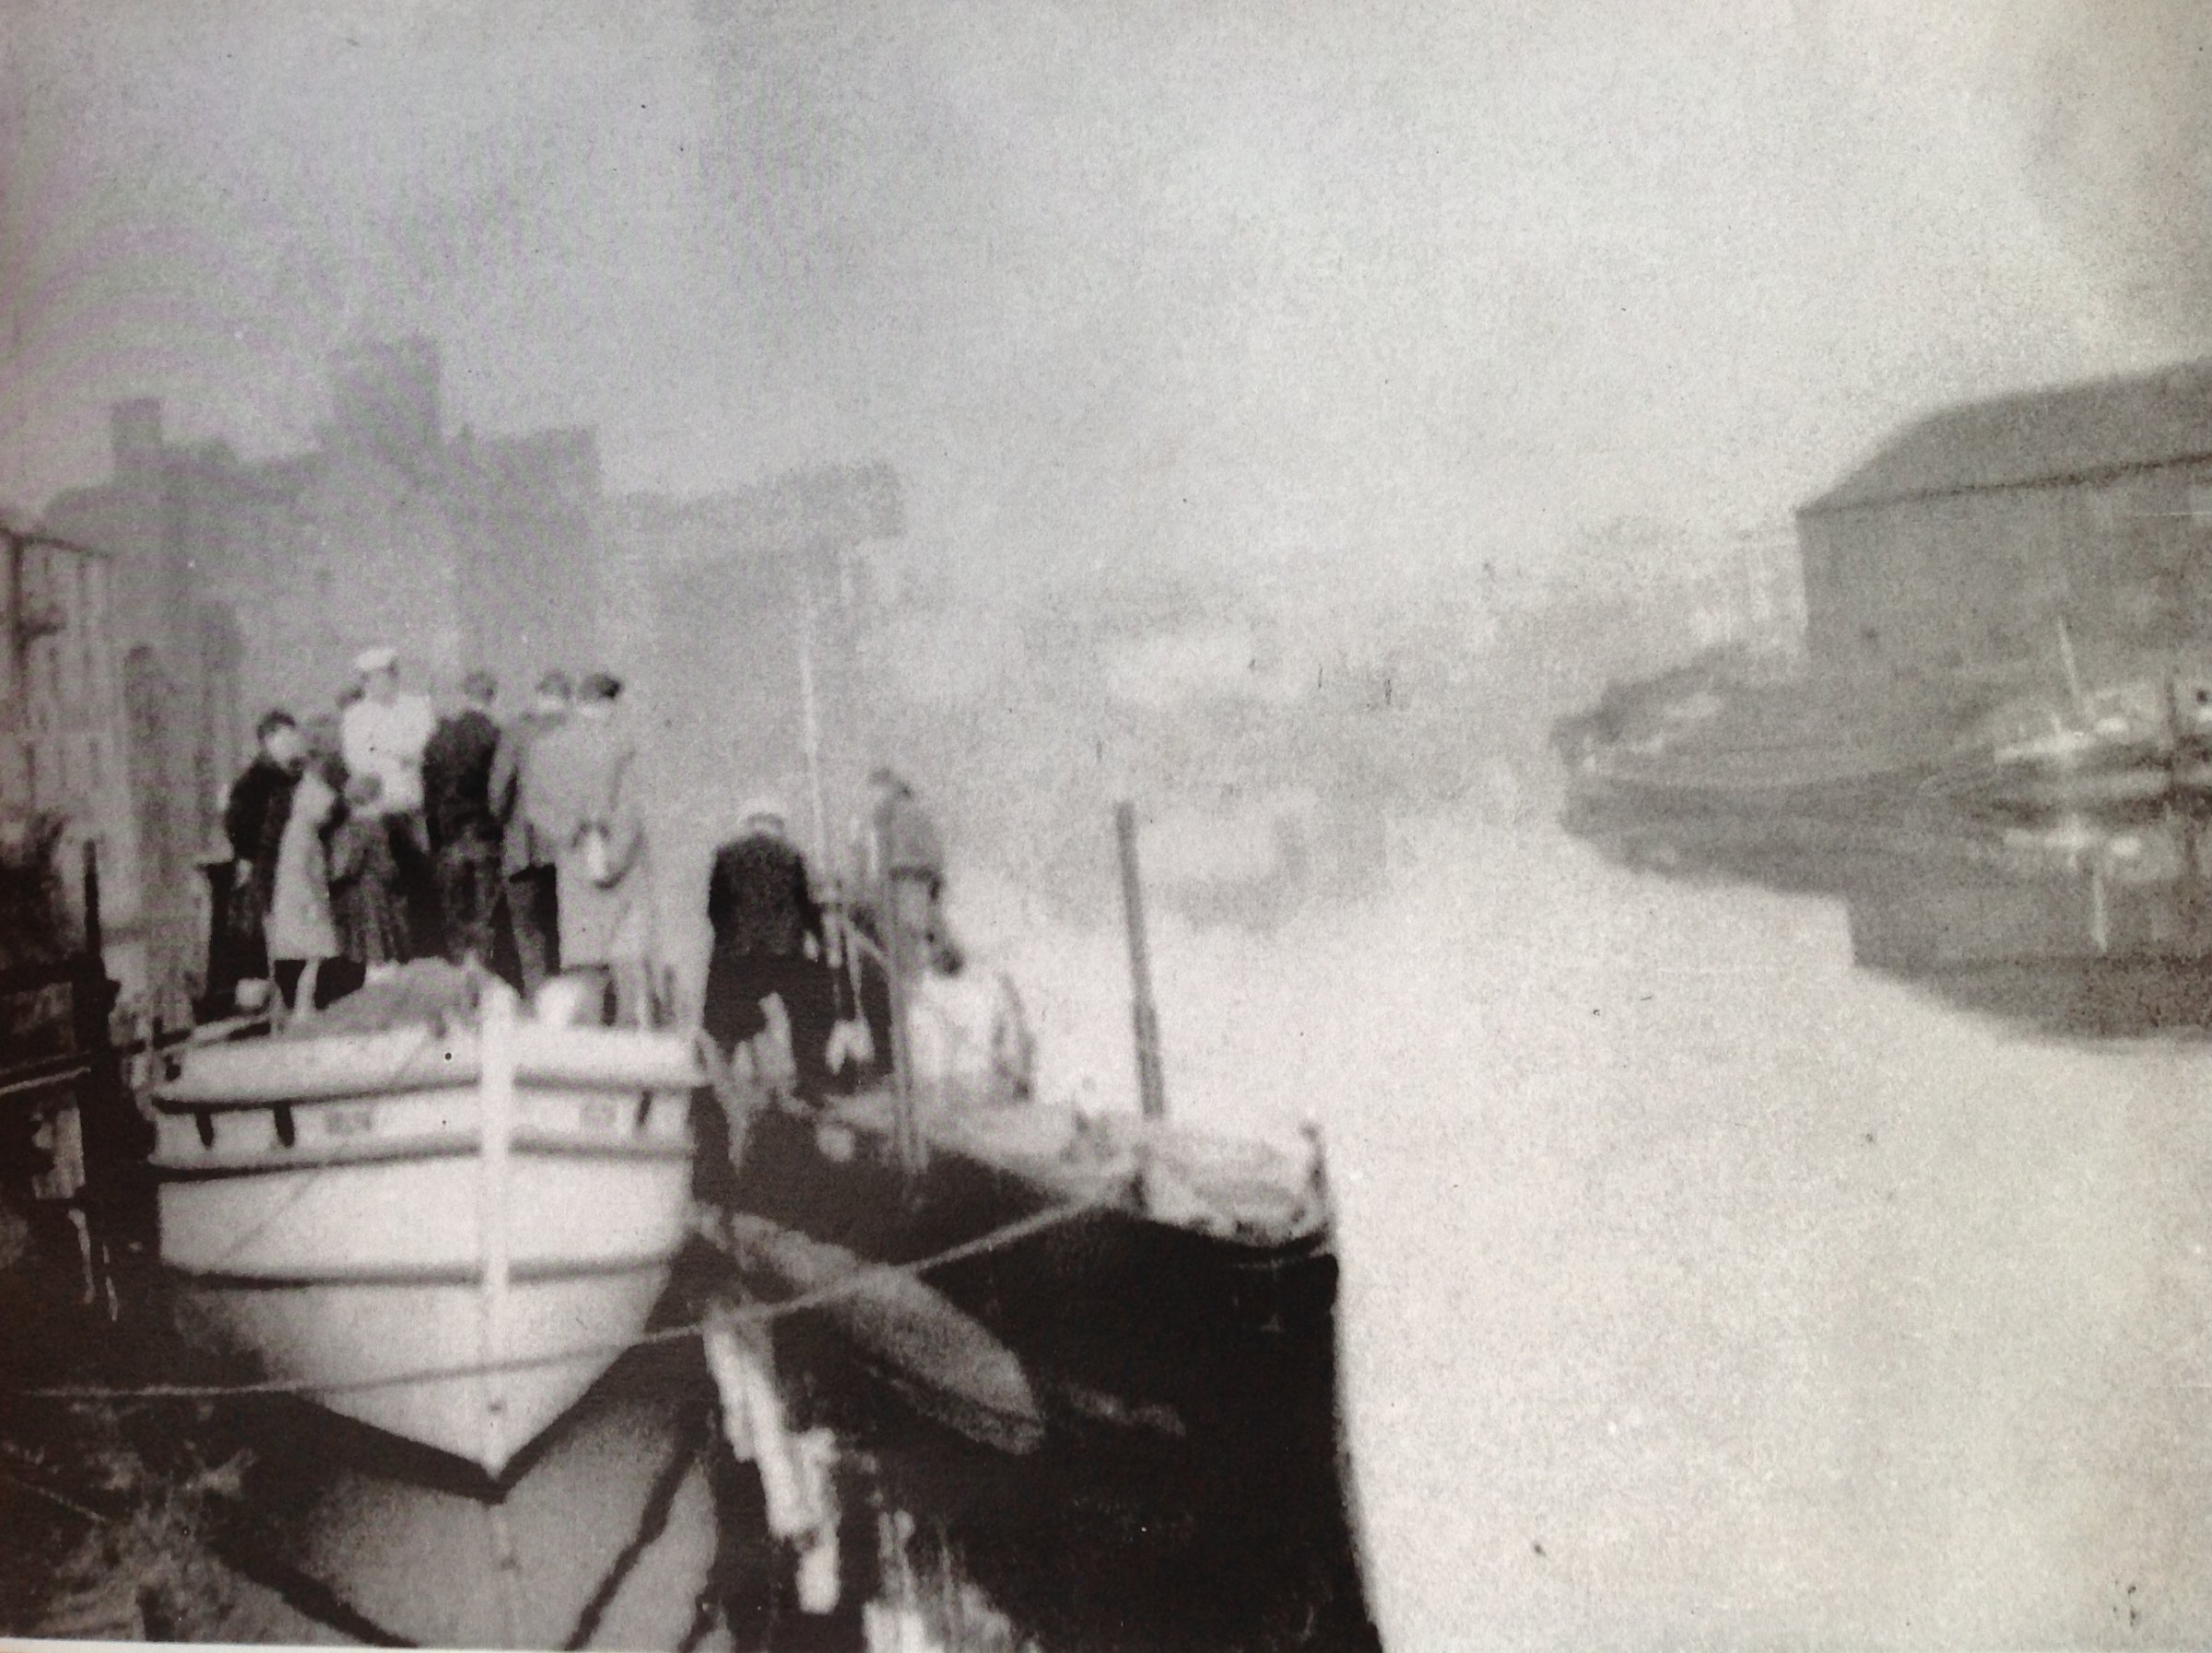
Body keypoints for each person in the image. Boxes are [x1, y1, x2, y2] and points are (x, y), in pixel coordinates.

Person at [522, 672, 653, 1021]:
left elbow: (534, 807)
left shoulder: (545, 747)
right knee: (628, 961)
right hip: (621, 868)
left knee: (585, 960)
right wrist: (611, 860)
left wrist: (572, 833)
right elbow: (631, 810)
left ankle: (589, 1044)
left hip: (574, 861)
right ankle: (633, 1047)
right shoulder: (623, 746)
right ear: (609, 704)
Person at [703, 797, 834, 1100]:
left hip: (736, 955)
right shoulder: (792, 856)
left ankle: (714, 1081)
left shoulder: (725, 855)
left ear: (747, 823)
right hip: (783, 953)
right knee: (810, 1009)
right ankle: (810, 1081)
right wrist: (822, 945)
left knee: (721, 1015)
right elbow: (807, 908)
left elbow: (715, 910)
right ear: (778, 824)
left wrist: (727, 940)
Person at [339, 645, 437, 955]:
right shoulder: (355, 715)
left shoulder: (416, 706)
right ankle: (399, 952)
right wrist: (399, 751)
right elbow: (358, 762)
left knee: (421, 880)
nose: (383, 686)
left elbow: (424, 747)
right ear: (366, 683)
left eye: (388, 678)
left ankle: (425, 950)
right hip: (378, 811)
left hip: (411, 807)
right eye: (375, 680)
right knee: (385, 886)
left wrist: (383, 748)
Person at [490, 670, 573, 995]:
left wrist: (506, 825)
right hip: (567, 846)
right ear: (566, 701)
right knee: (567, 928)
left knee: (528, 928)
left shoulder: (516, 731)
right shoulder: (577, 732)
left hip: (523, 843)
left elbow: (498, 791)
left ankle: (538, 999)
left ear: (538, 696)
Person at [221, 710, 306, 996]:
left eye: (294, 736)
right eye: (285, 737)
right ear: (268, 740)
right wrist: (248, 854)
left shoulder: (296, 775)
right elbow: (236, 824)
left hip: (294, 863)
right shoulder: (254, 781)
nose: (293, 743)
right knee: (269, 925)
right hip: (267, 865)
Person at [422, 669, 504, 966]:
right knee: (485, 916)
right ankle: (480, 984)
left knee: (454, 916)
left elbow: (428, 792)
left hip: (448, 839)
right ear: (492, 698)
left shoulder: (440, 737)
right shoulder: (497, 736)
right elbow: (502, 790)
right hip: (485, 836)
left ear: (464, 696)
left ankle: (458, 986)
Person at [265, 751, 344, 1016]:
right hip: (301, 899)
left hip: (302, 896)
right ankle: (302, 1005)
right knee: (314, 951)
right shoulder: (301, 834)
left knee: (312, 952)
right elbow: (299, 870)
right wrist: (311, 900)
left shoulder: (304, 831)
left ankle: (302, 1003)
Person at [329, 772, 410, 978]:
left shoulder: (346, 827)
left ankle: (364, 968)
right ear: (372, 798)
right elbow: (384, 863)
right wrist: (395, 878)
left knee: (360, 931)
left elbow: (347, 863)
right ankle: (378, 968)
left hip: (352, 889)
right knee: (376, 928)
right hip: (373, 888)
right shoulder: (373, 826)